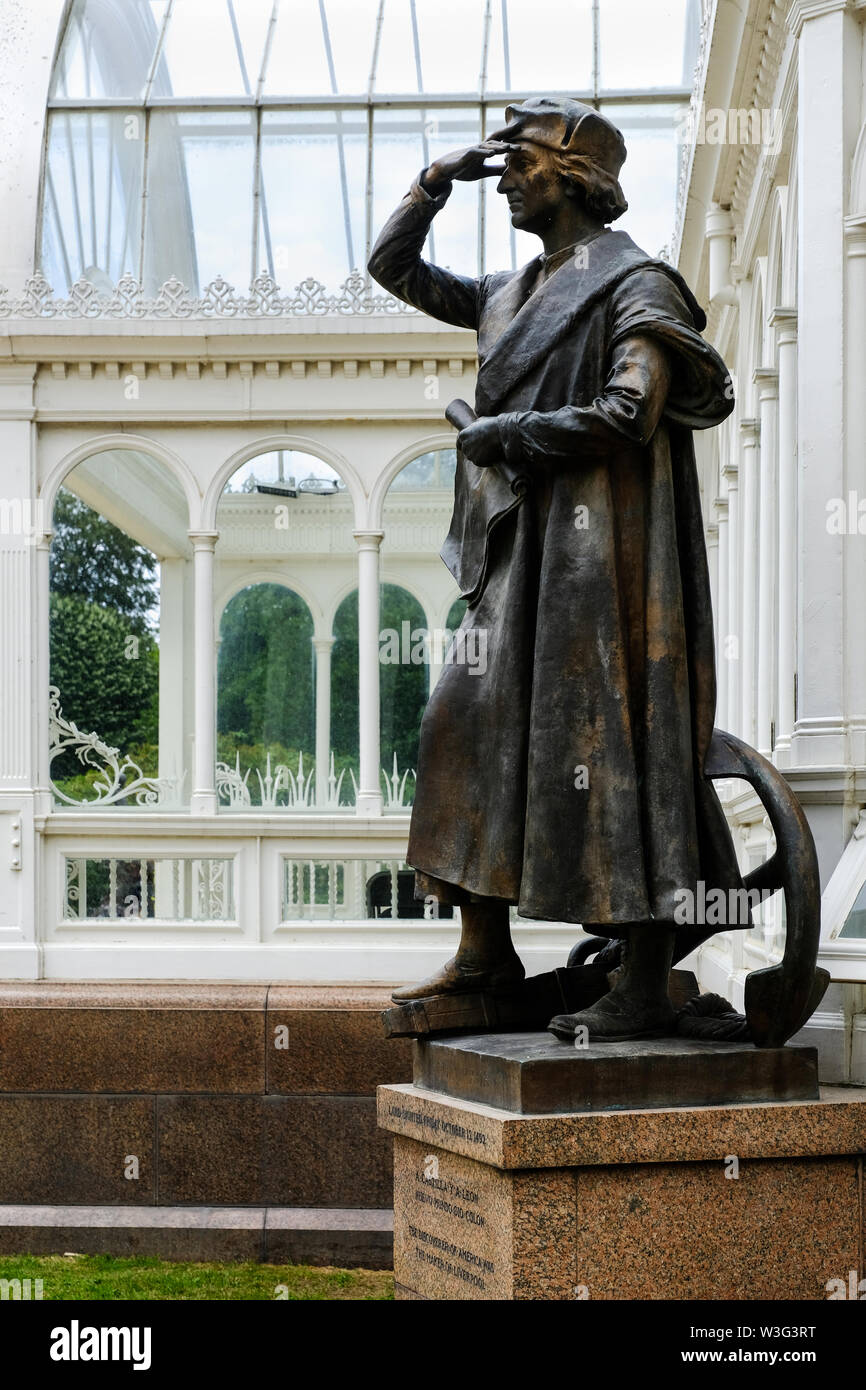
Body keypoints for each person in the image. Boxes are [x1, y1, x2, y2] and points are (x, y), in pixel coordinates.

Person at [367, 98, 741, 1041]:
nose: (505, 181)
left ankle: (646, 978)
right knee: (460, 721)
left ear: (575, 176)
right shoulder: (505, 291)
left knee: (610, 739)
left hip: (600, 555)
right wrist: (430, 186)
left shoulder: (638, 283)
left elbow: (630, 412)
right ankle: (486, 958)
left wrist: (504, 432)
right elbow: (390, 268)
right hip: (517, 549)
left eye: (519, 164)